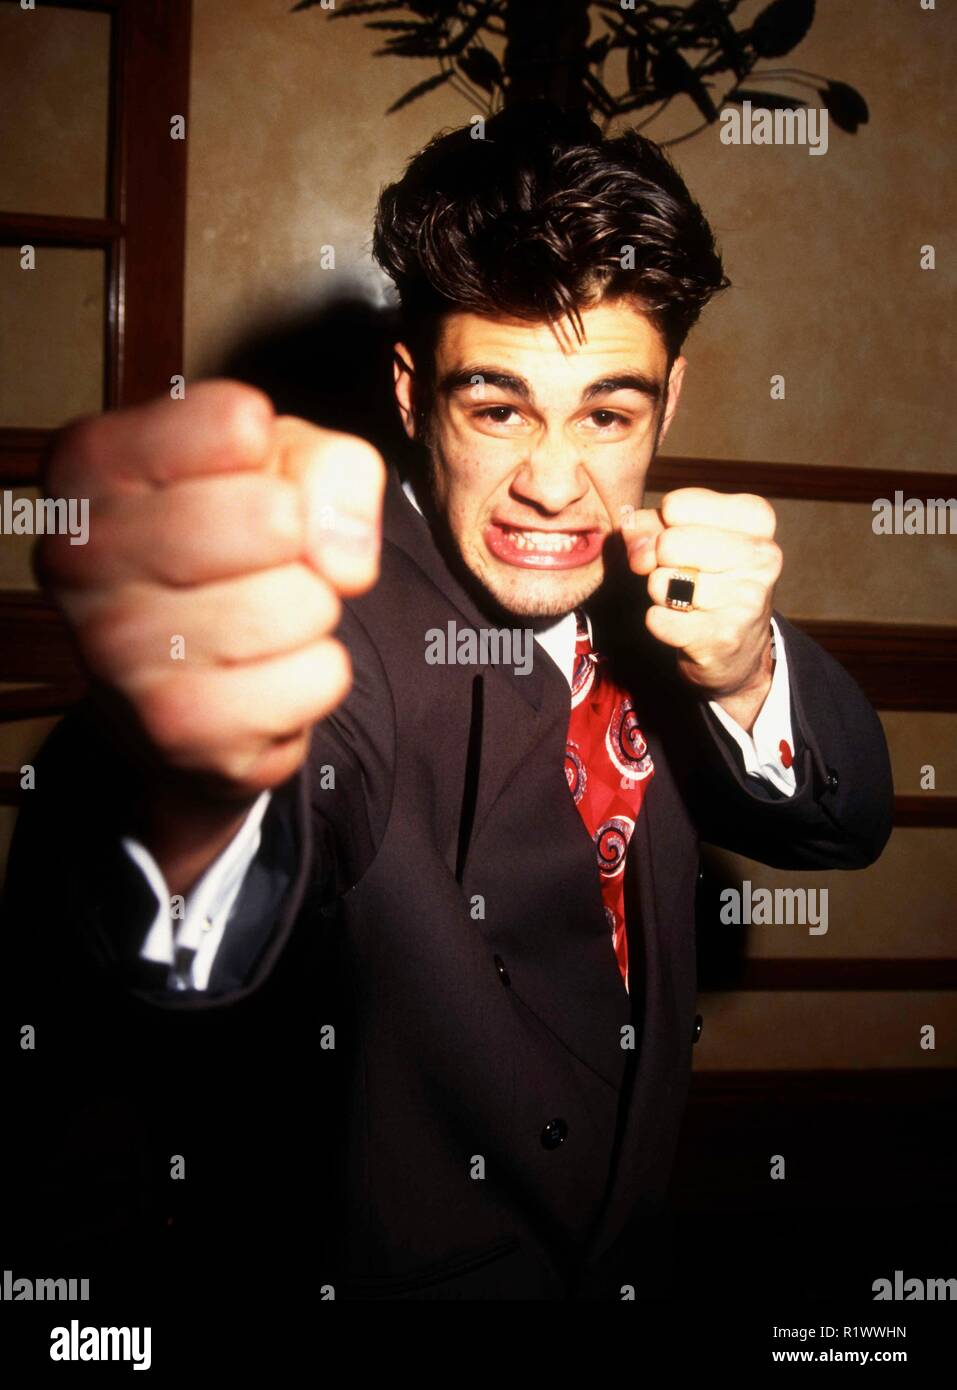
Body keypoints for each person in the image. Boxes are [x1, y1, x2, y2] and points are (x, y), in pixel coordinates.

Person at [3, 104, 893, 1302]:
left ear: (669, 404)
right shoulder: (342, 626)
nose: (553, 482)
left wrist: (740, 670)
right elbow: (177, 951)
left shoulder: (657, 587)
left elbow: (843, 821)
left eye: (608, 415)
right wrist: (200, 793)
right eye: (498, 407)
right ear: (414, 388)